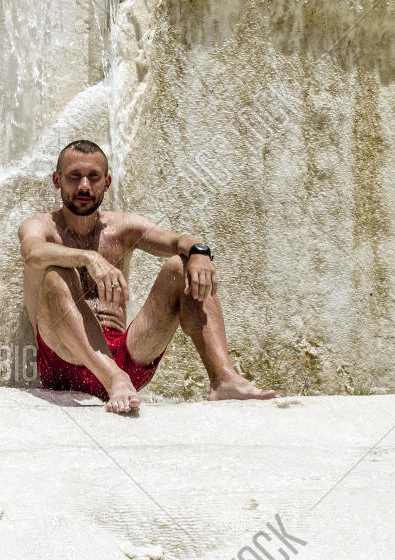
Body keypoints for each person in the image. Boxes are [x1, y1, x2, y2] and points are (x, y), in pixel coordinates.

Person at [18, 139, 276, 414]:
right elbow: (32, 252)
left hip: (127, 359)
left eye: (94, 178)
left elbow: (178, 240)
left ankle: (224, 378)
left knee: (181, 266)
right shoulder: (40, 225)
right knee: (56, 275)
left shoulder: (122, 227)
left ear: (106, 183)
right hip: (65, 361)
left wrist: (200, 252)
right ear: (57, 180)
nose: (84, 186)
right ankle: (113, 378)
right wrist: (88, 257)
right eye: (74, 177)